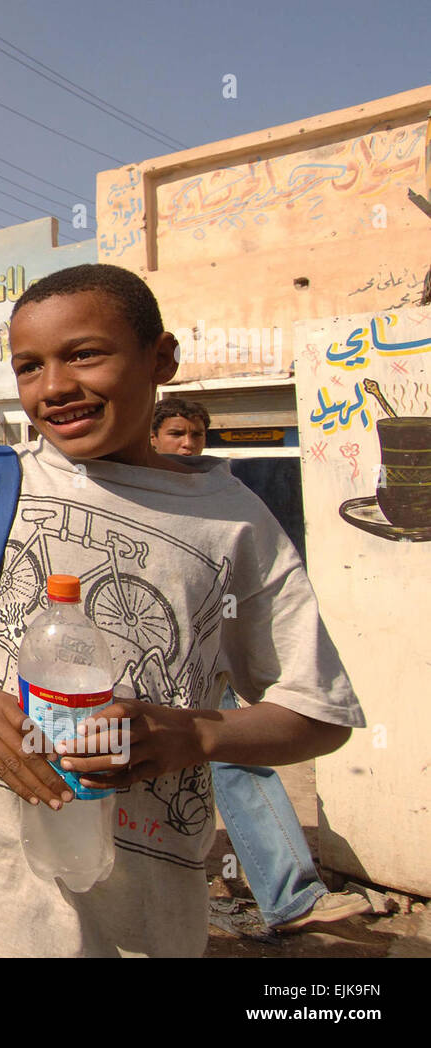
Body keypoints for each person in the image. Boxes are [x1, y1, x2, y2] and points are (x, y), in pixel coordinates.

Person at [0, 263, 364, 957]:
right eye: (28, 366)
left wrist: (190, 737)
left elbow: (317, 714)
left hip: (148, 916)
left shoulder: (234, 523)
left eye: (84, 354)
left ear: (159, 358)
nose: (54, 387)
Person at [152, 398, 370, 934]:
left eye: (197, 435)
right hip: (146, 654)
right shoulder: (125, 487)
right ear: (153, 436)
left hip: (209, 654)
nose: (188, 444)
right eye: (177, 433)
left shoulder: (227, 496)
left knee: (236, 757)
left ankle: (291, 896)